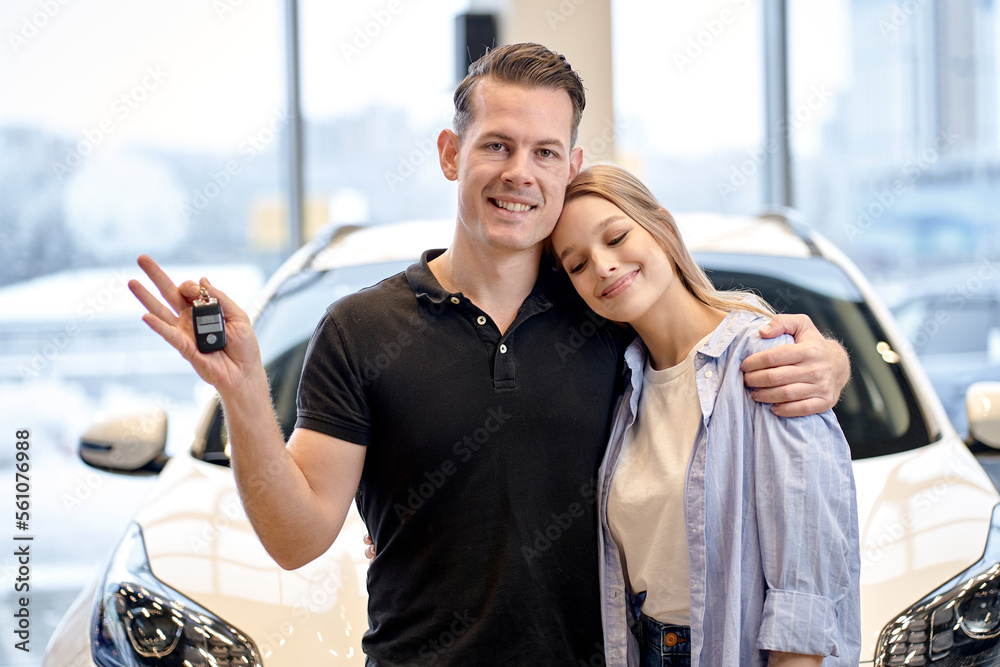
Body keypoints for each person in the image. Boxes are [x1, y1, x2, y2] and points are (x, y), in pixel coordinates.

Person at [129, 43, 851, 666]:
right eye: (497, 146)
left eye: (545, 152)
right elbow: (297, 538)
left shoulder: (604, 310)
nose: (520, 173)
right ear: (452, 153)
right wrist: (242, 390)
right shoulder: (359, 330)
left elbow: (708, 353)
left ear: (570, 166)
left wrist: (828, 359)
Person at [548, 163, 861, 667]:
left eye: (617, 237)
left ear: (663, 228)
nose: (602, 266)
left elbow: (803, 597)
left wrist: (836, 361)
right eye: (578, 264)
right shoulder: (623, 384)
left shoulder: (765, 359)